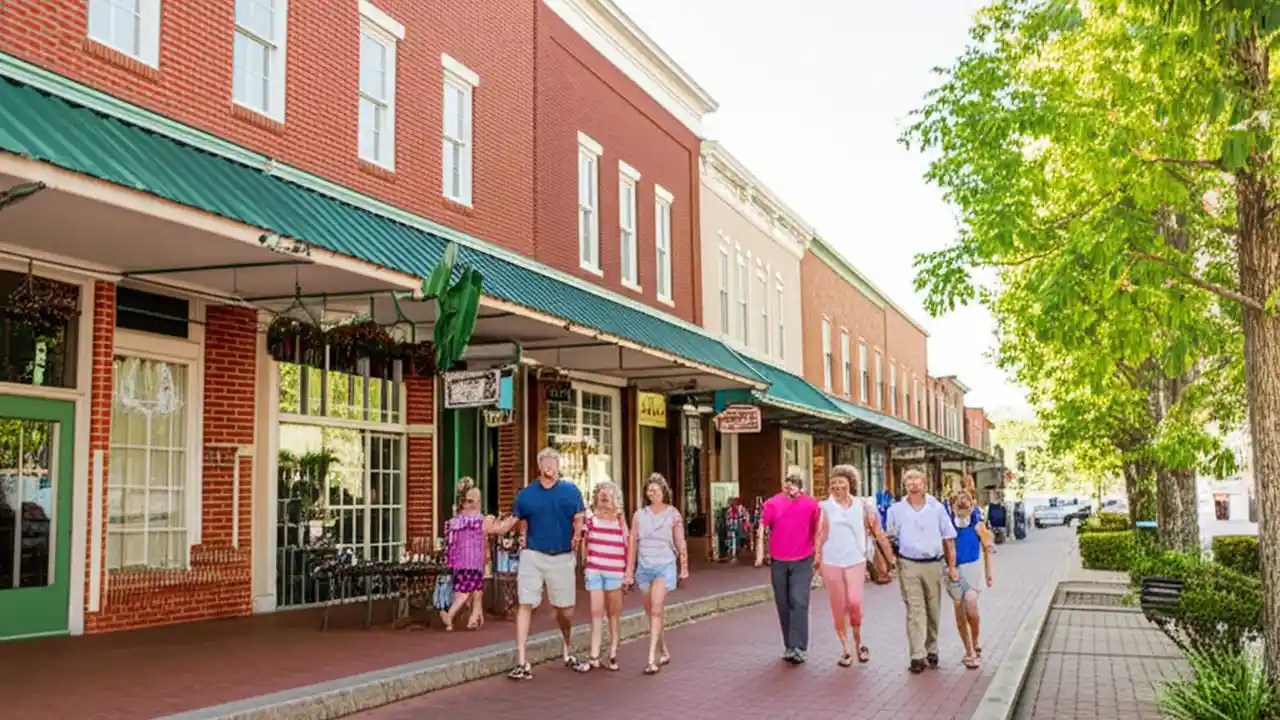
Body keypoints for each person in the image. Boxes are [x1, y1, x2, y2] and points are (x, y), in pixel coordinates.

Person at [496, 448, 590, 681]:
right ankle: (522, 662)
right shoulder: (527, 495)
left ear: (558, 466)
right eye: (545, 462)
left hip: (562, 556)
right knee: (525, 603)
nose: (549, 466)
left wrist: (578, 536)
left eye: (553, 462)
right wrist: (491, 527)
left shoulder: (570, 491)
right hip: (533, 555)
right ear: (539, 466)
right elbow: (511, 520)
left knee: (566, 611)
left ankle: (567, 647)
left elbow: (579, 516)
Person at [814, 465, 896, 666]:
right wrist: (816, 559)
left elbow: (878, 532)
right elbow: (819, 535)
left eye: (841, 482)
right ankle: (846, 649)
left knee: (854, 602)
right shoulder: (823, 507)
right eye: (833, 483)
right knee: (838, 606)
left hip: (856, 560)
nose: (837, 486)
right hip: (830, 561)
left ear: (850, 483)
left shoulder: (864, 506)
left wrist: (890, 558)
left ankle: (859, 643)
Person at [885, 468, 959, 674]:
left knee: (933, 608)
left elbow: (948, 538)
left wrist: (952, 566)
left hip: (934, 563)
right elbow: (890, 538)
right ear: (904, 484)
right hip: (908, 563)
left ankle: (931, 647)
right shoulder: (895, 510)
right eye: (908, 479)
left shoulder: (936, 508)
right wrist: (891, 560)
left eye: (916, 478)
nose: (912, 483)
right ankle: (917, 654)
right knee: (915, 609)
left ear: (924, 483)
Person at [755, 466, 821, 665]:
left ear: (801, 486)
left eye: (794, 483)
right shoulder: (772, 504)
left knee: (798, 600)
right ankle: (789, 645)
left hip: (802, 560)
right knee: (783, 603)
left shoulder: (811, 505)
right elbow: (762, 528)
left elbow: (816, 531)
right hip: (779, 560)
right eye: (788, 483)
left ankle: (799, 646)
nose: (790, 487)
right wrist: (760, 554)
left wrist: (817, 555)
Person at [624, 473, 689, 675]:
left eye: (656, 489)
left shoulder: (673, 514)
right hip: (644, 568)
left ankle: (651, 658)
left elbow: (680, 542)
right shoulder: (639, 515)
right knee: (651, 612)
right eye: (649, 490)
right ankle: (663, 650)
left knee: (656, 609)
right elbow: (633, 542)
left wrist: (684, 566)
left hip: (664, 566)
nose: (652, 493)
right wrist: (629, 571)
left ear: (664, 491)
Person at [440, 477, 502, 631]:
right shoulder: (479, 520)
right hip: (473, 561)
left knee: (469, 590)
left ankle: (473, 618)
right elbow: (490, 531)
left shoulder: (457, 521)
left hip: (461, 561)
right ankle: (450, 616)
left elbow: (451, 539)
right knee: (465, 592)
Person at [581, 480, 628, 671]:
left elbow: (627, 544)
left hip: (615, 570)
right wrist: (585, 563)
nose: (604, 495)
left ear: (615, 498)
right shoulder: (590, 519)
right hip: (595, 570)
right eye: (601, 492)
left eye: (608, 493)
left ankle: (613, 651)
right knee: (596, 612)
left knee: (613, 613)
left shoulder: (620, 520)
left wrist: (627, 573)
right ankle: (594, 654)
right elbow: (584, 543)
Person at [947, 488, 994, 669]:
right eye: (959, 509)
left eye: (966, 509)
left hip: (972, 569)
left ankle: (975, 639)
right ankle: (969, 650)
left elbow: (988, 548)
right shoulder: (948, 524)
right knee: (959, 608)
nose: (963, 513)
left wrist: (989, 573)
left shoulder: (977, 525)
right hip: (953, 570)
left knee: (971, 606)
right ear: (953, 507)